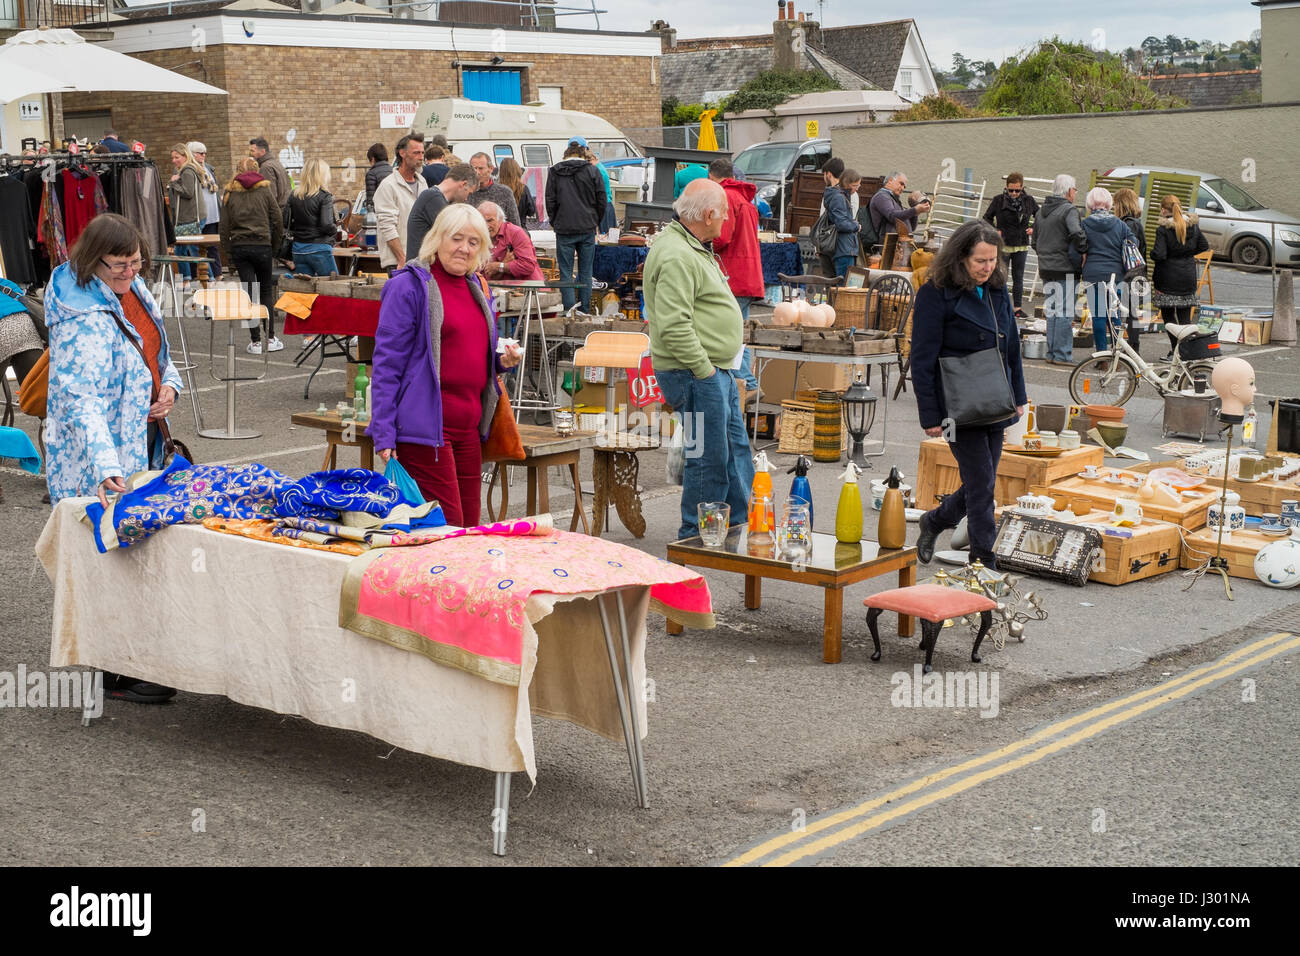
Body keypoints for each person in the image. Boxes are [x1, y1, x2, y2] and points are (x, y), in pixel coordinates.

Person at [44, 213, 184, 703]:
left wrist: (169, 387)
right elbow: (79, 401)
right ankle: (117, 665)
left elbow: (157, 354)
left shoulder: (133, 289)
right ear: (92, 260)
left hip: (137, 441)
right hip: (95, 457)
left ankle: (126, 663)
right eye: (120, 265)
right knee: (107, 560)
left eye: (137, 263)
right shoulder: (80, 315)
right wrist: (107, 466)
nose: (130, 272)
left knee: (131, 554)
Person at [368, 204, 523, 526]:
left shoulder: (477, 287)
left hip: (469, 431)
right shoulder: (408, 286)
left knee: (469, 527)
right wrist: (383, 433)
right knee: (445, 529)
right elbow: (386, 364)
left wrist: (501, 361)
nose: (464, 249)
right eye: (456, 239)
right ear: (437, 238)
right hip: (424, 432)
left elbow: (473, 354)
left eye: (473, 242)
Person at [911, 220, 1027, 570]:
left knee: (983, 480)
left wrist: (1019, 396)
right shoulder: (935, 293)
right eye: (980, 261)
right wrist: (930, 415)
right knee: (981, 486)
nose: (987, 267)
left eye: (992, 260)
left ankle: (934, 521)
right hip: (953, 406)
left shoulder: (996, 290)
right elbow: (922, 357)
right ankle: (983, 560)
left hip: (994, 399)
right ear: (961, 257)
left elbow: (1012, 347)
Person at [645, 179, 755, 541]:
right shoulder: (677, 253)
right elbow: (675, 325)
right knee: (707, 457)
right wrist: (705, 370)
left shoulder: (690, 245)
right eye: (723, 213)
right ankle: (697, 537)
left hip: (711, 368)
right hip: (696, 369)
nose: (726, 220)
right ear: (708, 214)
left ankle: (737, 524)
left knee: (733, 450)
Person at [707, 157, 763, 391]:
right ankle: (746, 386)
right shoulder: (743, 198)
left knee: (729, 334)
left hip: (733, 275)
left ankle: (746, 387)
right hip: (746, 275)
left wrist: (702, 239)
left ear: (712, 178)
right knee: (740, 333)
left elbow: (721, 238)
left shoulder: (725, 197)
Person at [219, 158, 284, 354]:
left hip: (240, 247)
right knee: (266, 291)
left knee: (250, 293)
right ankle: (270, 337)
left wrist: (229, 256)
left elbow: (224, 228)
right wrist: (275, 246)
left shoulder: (230, 193)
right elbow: (277, 219)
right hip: (262, 245)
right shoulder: (264, 190)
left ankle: (255, 341)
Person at [1032, 174, 1087, 364]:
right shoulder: (1069, 210)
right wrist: (1084, 250)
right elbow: (1076, 233)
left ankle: (1051, 353)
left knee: (1053, 311)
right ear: (1069, 191)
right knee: (1065, 312)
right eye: (1075, 189)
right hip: (1065, 267)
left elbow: (1034, 241)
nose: (1075, 193)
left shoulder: (1041, 212)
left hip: (1046, 267)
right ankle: (1062, 354)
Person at [546, 141, 606, 312]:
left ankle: (569, 311)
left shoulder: (555, 171)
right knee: (586, 271)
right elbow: (601, 199)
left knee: (565, 272)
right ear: (582, 155)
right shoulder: (592, 171)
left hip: (564, 227)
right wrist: (595, 220)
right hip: (587, 227)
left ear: (566, 155)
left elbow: (550, 200)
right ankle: (584, 310)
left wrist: (555, 221)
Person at [1151, 194, 1209, 353]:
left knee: (1169, 318)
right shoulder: (1193, 225)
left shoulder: (1163, 229)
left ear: (1163, 210)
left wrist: (1152, 254)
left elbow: (1160, 254)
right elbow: (1204, 245)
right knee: (1185, 318)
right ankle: (1190, 350)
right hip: (1188, 275)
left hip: (1167, 278)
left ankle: (1175, 350)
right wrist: (1187, 254)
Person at [1079, 187, 1130, 353]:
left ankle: (1102, 355)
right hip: (1115, 274)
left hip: (1093, 273)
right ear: (1109, 203)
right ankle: (1116, 352)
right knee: (1114, 315)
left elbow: (1077, 248)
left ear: (1090, 204)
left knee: (1099, 315)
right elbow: (1133, 243)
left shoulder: (1084, 224)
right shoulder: (1120, 225)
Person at [981, 173, 1039, 319]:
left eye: (1017, 191)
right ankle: (999, 307)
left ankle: (1017, 308)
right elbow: (986, 218)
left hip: (1021, 245)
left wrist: (1034, 228)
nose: (1013, 194)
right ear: (1006, 188)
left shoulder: (1029, 201)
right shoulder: (998, 200)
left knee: (1018, 277)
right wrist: (995, 230)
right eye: (1010, 190)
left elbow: (1041, 217)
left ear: (1022, 188)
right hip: (1003, 244)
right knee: (1000, 277)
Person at [373, 133, 428, 272]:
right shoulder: (388, 186)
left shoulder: (422, 182)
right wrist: (402, 258)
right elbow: (387, 226)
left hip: (421, 260)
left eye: (422, 152)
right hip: (399, 262)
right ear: (402, 153)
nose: (421, 157)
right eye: (416, 153)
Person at [405, 163, 476, 262]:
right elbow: (455, 232)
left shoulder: (435, 198)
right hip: (420, 271)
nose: (466, 198)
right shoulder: (433, 198)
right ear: (463, 184)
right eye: (469, 193)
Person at [286, 158, 338, 278]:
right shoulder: (325, 196)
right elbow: (327, 225)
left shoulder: (294, 195)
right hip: (320, 249)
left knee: (305, 291)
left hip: (298, 249)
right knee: (331, 288)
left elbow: (285, 221)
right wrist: (336, 230)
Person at [1113, 187, 1148, 355]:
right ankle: (1133, 348)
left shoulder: (1128, 224)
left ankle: (1132, 349)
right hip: (1137, 273)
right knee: (1132, 313)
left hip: (1129, 274)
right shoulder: (1136, 222)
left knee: (1128, 313)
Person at [166, 143, 207, 281]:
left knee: (187, 249)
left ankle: (193, 279)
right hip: (191, 216)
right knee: (186, 249)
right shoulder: (186, 170)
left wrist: (174, 183)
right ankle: (193, 278)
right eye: (172, 158)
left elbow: (188, 193)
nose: (174, 161)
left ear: (185, 156)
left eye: (177, 157)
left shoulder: (187, 171)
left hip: (191, 217)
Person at [187, 141, 224, 280]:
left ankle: (218, 273)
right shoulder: (189, 169)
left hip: (213, 214)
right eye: (200, 153)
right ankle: (201, 275)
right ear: (191, 154)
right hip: (199, 215)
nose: (203, 156)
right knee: (195, 246)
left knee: (212, 246)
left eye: (204, 153)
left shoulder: (208, 168)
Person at [480, 201, 543, 281]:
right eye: (482, 221)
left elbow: (528, 266)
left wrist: (499, 266)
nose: (486, 226)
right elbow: (483, 275)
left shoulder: (515, 233)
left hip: (526, 287)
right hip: (497, 289)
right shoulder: (478, 237)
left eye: (490, 221)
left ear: (500, 220)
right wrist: (504, 263)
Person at [822, 160, 860, 280]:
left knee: (840, 286)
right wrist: (856, 226)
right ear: (848, 184)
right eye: (855, 185)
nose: (857, 189)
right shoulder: (839, 197)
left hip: (843, 248)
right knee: (842, 286)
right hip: (843, 248)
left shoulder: (841, 196)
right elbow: (841, 224)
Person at [869, 171, 931, 239]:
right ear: (890, 181)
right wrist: (915, 210)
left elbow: (911, 228)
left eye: (904, 186)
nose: (902, 188)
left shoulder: (893, 198)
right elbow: (892, 216)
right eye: (901, 184)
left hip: (900, 243)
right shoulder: (881, 196)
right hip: (888, 244)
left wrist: (916, 212)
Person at [466, 152, 521, 227]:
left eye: (481, 168)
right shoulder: (465, 192)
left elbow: (515, 224)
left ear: (491, 169)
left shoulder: (504, 192)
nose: (477, 172)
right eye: (474, 168)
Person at [248, 136, 291, 212]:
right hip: (284, 209)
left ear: (262, 152)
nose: (250, 154)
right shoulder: (275, 163)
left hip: (277, 213)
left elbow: (270, 197)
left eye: (253, 151)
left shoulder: (266, 167)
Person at [587, 148, 618, 233]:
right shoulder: (599, 167)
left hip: (604, 205)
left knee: (606, 236)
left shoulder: (598, 170)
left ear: (592, 160)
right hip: (606, 204)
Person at [497, 157, 537, 223]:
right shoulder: (523, 188)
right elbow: (531, 211)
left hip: (502, 229)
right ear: (517, 170)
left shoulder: (497, 189)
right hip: (519, 227)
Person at [364, 143, 391, 210]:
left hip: (381, 212)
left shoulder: (371, 174)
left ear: (373, 159)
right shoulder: (394, 171)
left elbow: (371, 201)